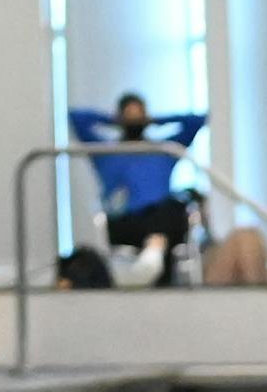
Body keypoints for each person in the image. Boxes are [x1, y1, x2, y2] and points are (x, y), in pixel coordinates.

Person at [74, 92, 210, 285]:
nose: (134, 120)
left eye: (138, 115)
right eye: (129, 115)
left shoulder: (163, 151)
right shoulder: (106, 152)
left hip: (163, 220)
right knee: (165, 219)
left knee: (174, 207)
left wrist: (156, 120)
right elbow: (76, 117)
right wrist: (112, 121)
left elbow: (197, 120)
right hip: (125, 221)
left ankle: (153, 257)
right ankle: (152, 260)